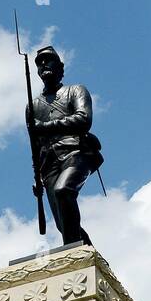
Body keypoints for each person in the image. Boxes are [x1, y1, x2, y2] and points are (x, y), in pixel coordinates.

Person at [30, 45, 103, 246]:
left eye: (48, 60)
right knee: (64, 223)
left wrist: (45, 127)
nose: (43, 64)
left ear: (60, 66)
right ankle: (88, 253)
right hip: (48, 166)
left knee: (64, 191)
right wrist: (37, 176)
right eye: (39, 62)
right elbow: (35, 146)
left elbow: (83, 119)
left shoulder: (76, 90)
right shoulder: (32, 106)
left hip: (76, 152)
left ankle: (73, 257)